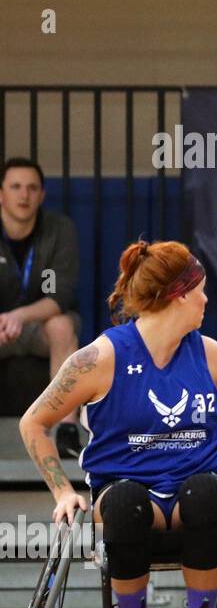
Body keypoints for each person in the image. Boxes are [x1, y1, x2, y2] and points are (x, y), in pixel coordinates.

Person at [18, 240, 217, 608]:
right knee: (123, 503)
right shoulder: (101, 357)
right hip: (129, 496)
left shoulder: (212, 355)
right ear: (180, 294)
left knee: (202, 494)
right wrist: (63, 490)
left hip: (201, 493)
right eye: (201, 290)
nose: (206, 300)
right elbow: (33, 423)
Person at [1, 157, 83, 457]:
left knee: (62, 324)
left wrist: (18, 316)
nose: (24, 195)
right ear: (1, 194)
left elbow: (60, 295)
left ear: (42, 195)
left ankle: (67, 430)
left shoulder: (59, 229)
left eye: (32, 188)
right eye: (16, 187)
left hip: (37, 326)